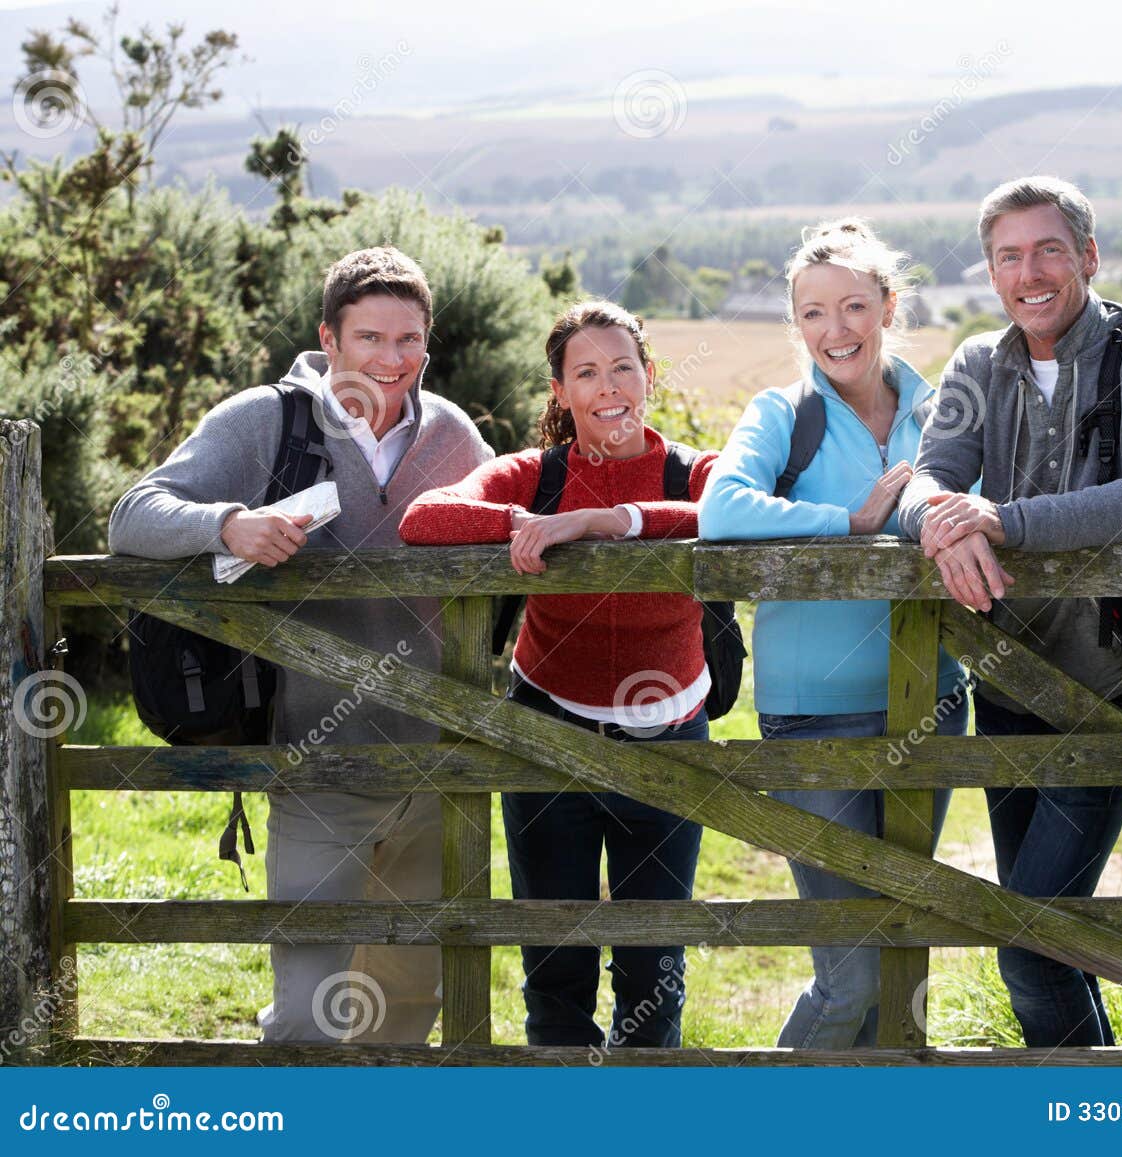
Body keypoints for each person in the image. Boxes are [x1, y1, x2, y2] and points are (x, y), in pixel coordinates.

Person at [108, 245, 493, 1042]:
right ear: (330, 336)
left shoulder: (452, 433)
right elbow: (131, 514)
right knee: (309, 1024)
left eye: (409, 339)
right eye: (370, 338)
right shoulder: (264, 420)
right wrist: (227, 523)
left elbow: (503, 526)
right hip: (317, 759)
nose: (392, 359)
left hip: (440, 769)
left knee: (405, 1016)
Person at [898, 176, 1122, 1048]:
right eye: (1008, 255)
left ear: (1088, 257)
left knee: (1029, 945)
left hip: (1108, 679)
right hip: (1006, 683)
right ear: (992, 270)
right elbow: (930, 474)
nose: (1028, 272)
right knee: (1048, 938)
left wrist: (1003, 519)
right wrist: (939, 525)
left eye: (1047, 250)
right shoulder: (975, 364)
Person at [399, 299, 714, 1049]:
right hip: (545, 736)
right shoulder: (533, 477)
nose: (609, 388)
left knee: (654, 968)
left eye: (623, 368)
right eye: (587, 373)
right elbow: (423, 518)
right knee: (555, 966)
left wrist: (599, 522)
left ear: (649, 375)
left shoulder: (691, 469)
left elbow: (738, 508)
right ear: (560, 390)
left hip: (669, 738)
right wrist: (528, 521)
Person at [700, 219, 968, 1049]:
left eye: (854, 306)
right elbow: (720, 509)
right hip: (812, 715)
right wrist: (847, 523)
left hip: (931, 708)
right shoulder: (784, 413)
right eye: (813, 314)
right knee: (848, 973)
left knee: (899, 961)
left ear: (889, 305)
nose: (835, 330)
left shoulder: (945, 409)